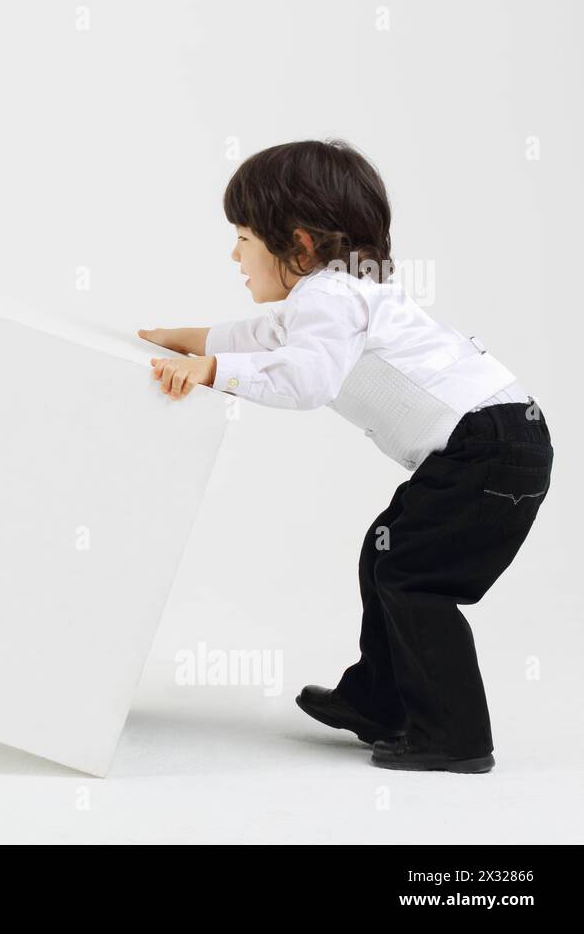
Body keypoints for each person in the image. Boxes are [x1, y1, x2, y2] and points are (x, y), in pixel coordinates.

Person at [138, 139, 552, 773]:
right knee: (386, 551)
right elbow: (268, 334)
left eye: (244, 238)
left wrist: (211, 370)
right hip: (499, 438)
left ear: (298, 246)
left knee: (413, 575)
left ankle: (454, 737)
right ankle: (380, 701)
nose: (234, 253)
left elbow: (305, 381)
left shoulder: (331, 300)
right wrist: (185, 339)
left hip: (487, 447)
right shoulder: (342, 292)